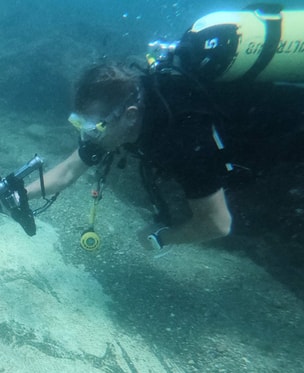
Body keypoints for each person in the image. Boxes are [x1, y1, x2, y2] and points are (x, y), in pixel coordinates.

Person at [22, 62, 304, 251]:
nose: (87, 136)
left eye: (93, 127)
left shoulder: (181, 138)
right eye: (79, 124)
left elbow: (218, 223)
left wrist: (159, 238)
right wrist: (16, 194)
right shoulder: (120, 114)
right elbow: (67, 172)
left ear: (130, 116)